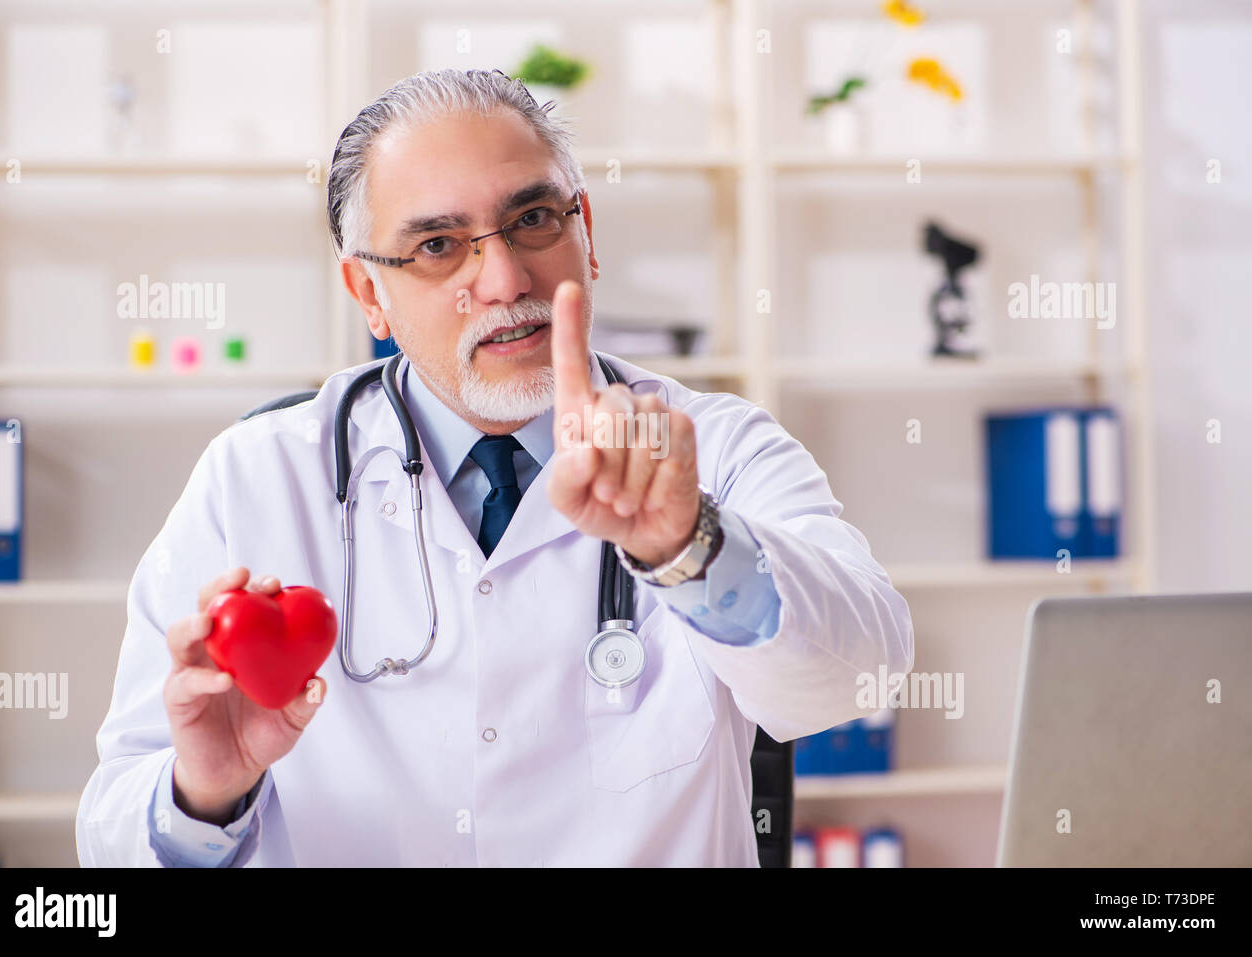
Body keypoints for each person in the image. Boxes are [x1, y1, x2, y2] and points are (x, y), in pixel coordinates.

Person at [76, 68, 913, 867]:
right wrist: (204, 795)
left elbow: (860, 675)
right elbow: (111, 836)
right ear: (367, 294)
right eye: (438, 245)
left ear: (586, 231)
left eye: (534, 221)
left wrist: (689, 547)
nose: (507, 278)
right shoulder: (254, 480)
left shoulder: (716, 447)